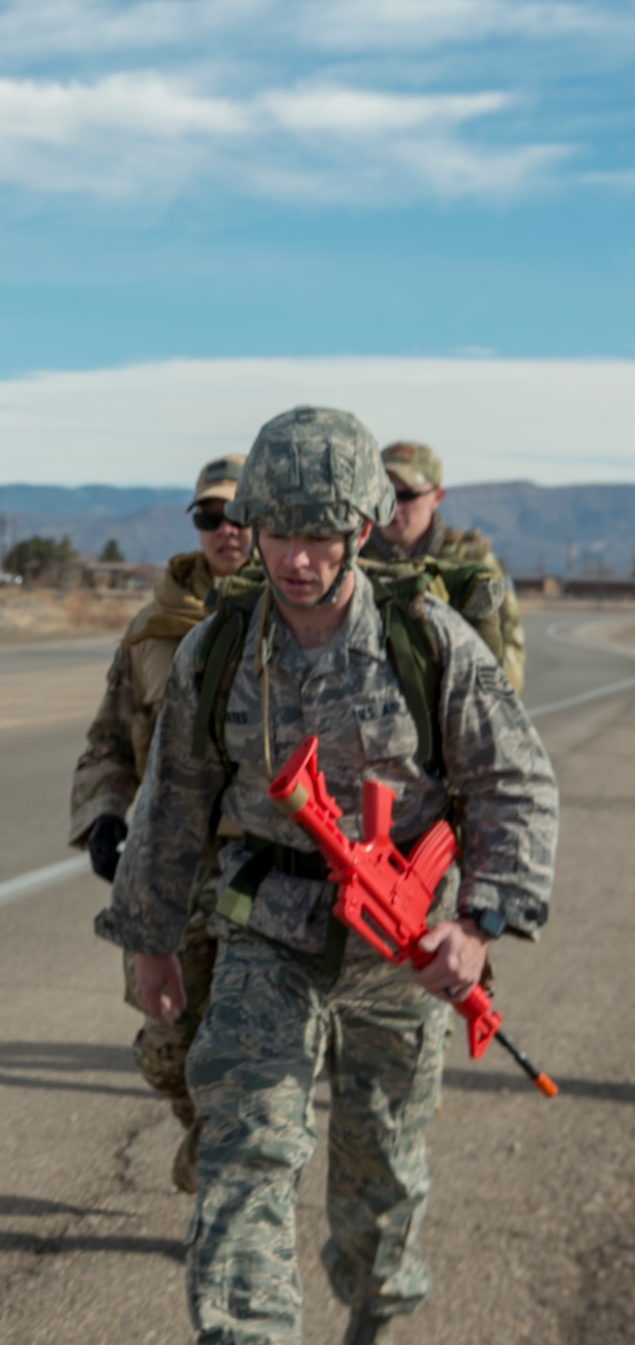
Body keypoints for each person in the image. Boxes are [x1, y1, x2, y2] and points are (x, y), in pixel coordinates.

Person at [97, 406, 556, 1345]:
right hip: (269, 926)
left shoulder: (427, 640)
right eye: (279, 532)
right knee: (245, 1149)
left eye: (319, 534)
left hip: (404, 946)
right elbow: (171, 801)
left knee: (380, 1164)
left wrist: (475, 925)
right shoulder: (218, 647)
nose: (296, 558)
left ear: (358, 529)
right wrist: (148, 941)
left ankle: (378, 1305)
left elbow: (514, 781)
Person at [67, 452, 250, 1195]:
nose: (225, 529)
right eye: (209, 516)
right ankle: (209, 1146)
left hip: (257, 866)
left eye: (239, 514)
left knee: (245, 1046)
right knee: (166, 1050)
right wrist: (105, 814)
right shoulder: (153, 631)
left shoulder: (293, 618)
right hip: (172, 864)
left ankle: (228, 1192)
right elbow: (108, 738)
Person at [361, 439, 525, 692]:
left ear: (437, 497)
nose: (393, 506)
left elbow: (509, 655)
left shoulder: (471, 565)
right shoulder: (351, 560)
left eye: (405, 496)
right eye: (384, 494)